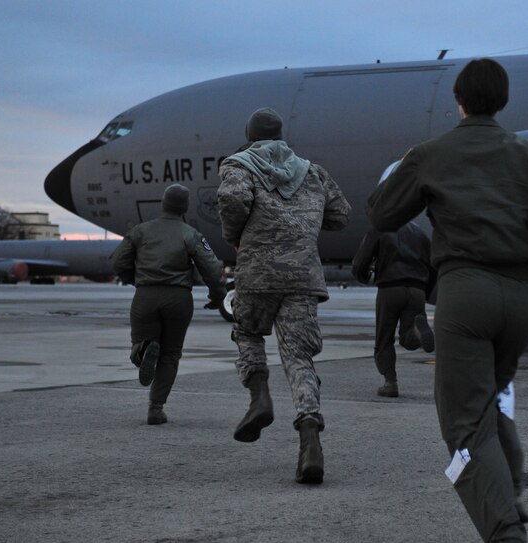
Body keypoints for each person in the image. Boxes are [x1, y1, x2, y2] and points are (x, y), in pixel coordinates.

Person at [367, 59, 528, 543]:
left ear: (459, 101)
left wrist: (405, 166)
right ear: (503, 102)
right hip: (520, 295)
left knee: (464, 424)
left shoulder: (431, 154)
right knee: (491, 402)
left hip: (465, 293)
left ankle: (505, 538)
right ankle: (508, 497)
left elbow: (380, 215)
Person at [217, 107, 351, 484]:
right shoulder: (312, 171)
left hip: (257, 273)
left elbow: (232, 201)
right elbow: (341, 216)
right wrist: (304, 220)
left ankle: (259, 398)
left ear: (250, 133)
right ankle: (310, 441)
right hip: (303, 277)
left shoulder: (238, 165)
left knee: (247, 332)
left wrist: (236, 236)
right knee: (299, 357)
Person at [111, 184, 227, 425]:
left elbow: (119, 261)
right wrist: (217, 296)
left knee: (141, 343)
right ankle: (156, 408)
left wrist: (134, 280)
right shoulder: (191, 234)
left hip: (146, 295)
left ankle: (143, 352)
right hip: (178, 298)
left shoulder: (140, 231)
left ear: (162, 203)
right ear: (185, 207)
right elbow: (212, 268)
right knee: (171, 354)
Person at [351, 221, 435, 398]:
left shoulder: (380, 228)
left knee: (384, 338)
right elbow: (432, 267)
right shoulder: (421, 233)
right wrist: (425, 293)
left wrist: (364, 276)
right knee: (407, 338)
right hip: (416, 289)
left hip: (390, 288)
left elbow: (360, 263)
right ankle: (418, 333)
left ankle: (390, 383)